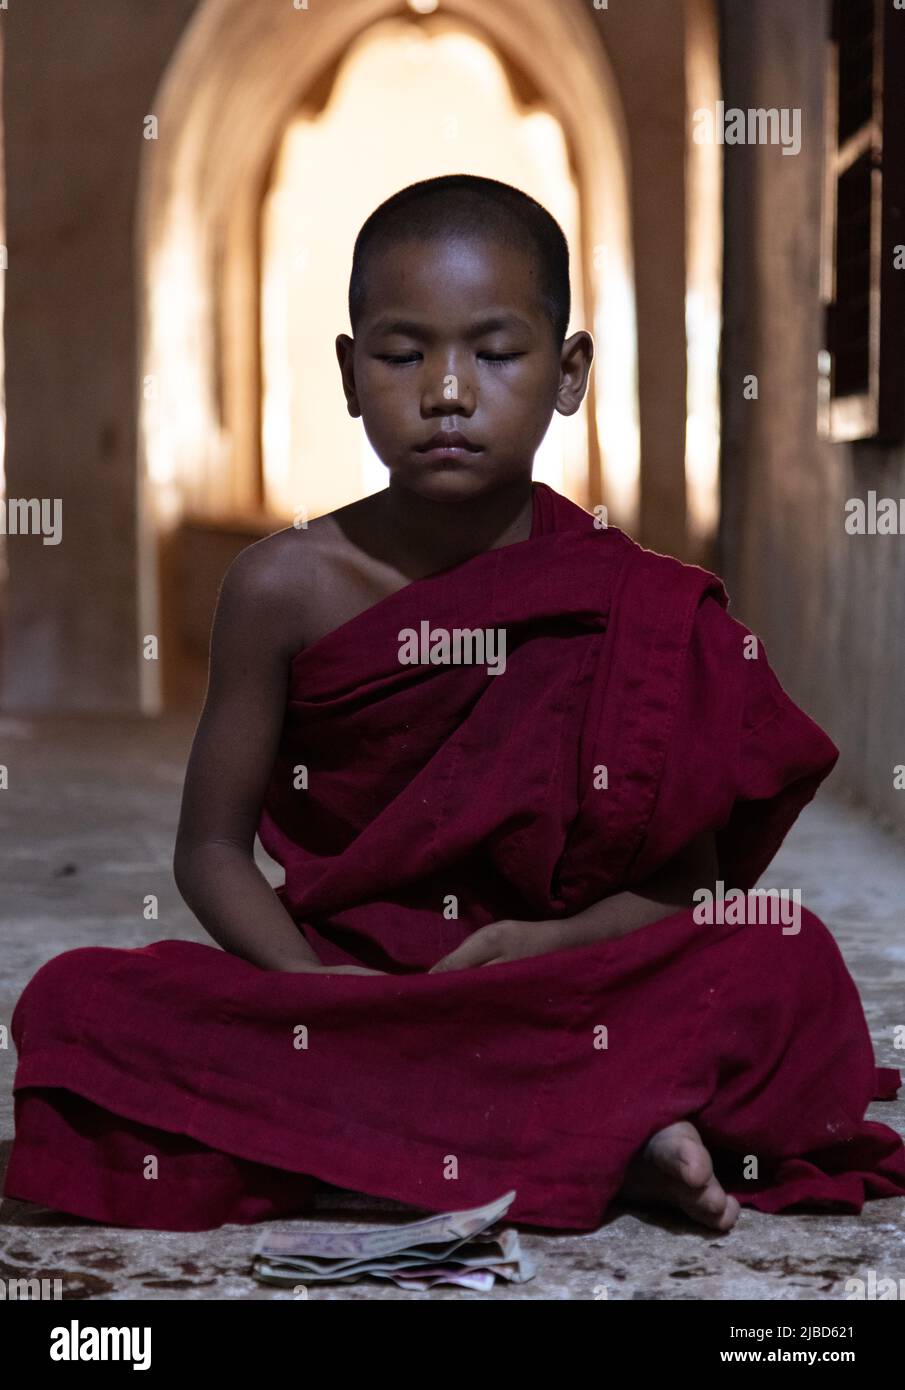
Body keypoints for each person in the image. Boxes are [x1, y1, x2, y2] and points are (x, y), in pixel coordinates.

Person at [6, 175, 905, 1235]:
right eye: (401, 355)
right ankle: (610, 1141)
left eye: (495, 352)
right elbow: (209, 848)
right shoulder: (282, 586)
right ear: (349, 374)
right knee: (77, 1002)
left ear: (567, 374)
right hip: (350, 987)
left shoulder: (634, 602)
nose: (445, 391)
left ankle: (431, 1141)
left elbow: (689, 890)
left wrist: (539, 948)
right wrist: (311, 993)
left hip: (562, 986)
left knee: (780, 959)